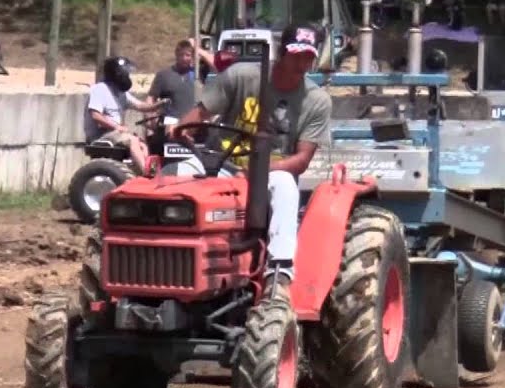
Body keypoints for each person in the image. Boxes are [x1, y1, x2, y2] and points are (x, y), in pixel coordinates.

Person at [168, 25, 332, 288]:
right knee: (175, 177)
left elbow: (301, 160)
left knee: (286, 186)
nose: (302, 63)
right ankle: (168, 255)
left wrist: (261, 170)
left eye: (308, 56)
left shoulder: (316, 101)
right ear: (282, 53)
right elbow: (201, 113)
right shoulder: (241, 76)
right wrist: (179, 128)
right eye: (296, 55)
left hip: (272, 171)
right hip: (222, 162)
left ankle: (279, 270)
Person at [85, 56, 166, 175]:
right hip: (100, 135)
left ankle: (143, 174)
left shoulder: (121, 93)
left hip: (115, 134)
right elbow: (96, 115)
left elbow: (140, 106)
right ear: (117, 75)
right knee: (132, 140)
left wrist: (159, 105)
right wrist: (116, 127)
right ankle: (147, 174)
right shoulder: (99, 89)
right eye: (126, 74)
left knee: (142, 144)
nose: (127, 77)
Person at [148, 40, 198, 122]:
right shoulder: (163, 75)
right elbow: (151, 99)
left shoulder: (198, 75)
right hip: (171, 122)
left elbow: (216, 67)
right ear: (176, 55)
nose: (184, 58)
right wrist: (151, 117)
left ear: (192, 56)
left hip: (194, 122)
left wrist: (198, 49)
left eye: (188, 55)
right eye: (181, 55)